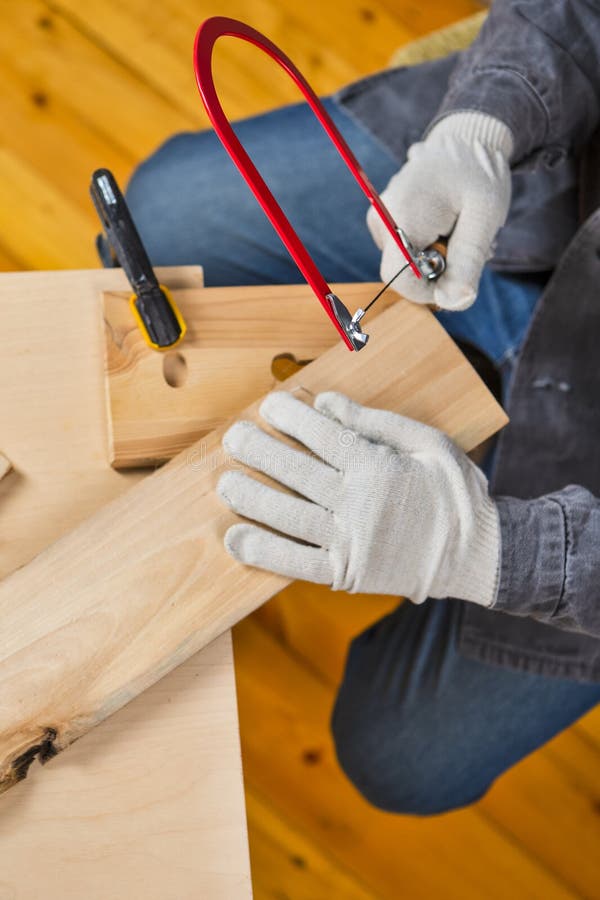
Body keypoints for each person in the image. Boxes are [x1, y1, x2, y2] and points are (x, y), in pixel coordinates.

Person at [124, 0, 600, 814]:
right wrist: (483, 123)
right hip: (540, 199)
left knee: (405, 756)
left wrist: (489, 554)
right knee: (169, 214)